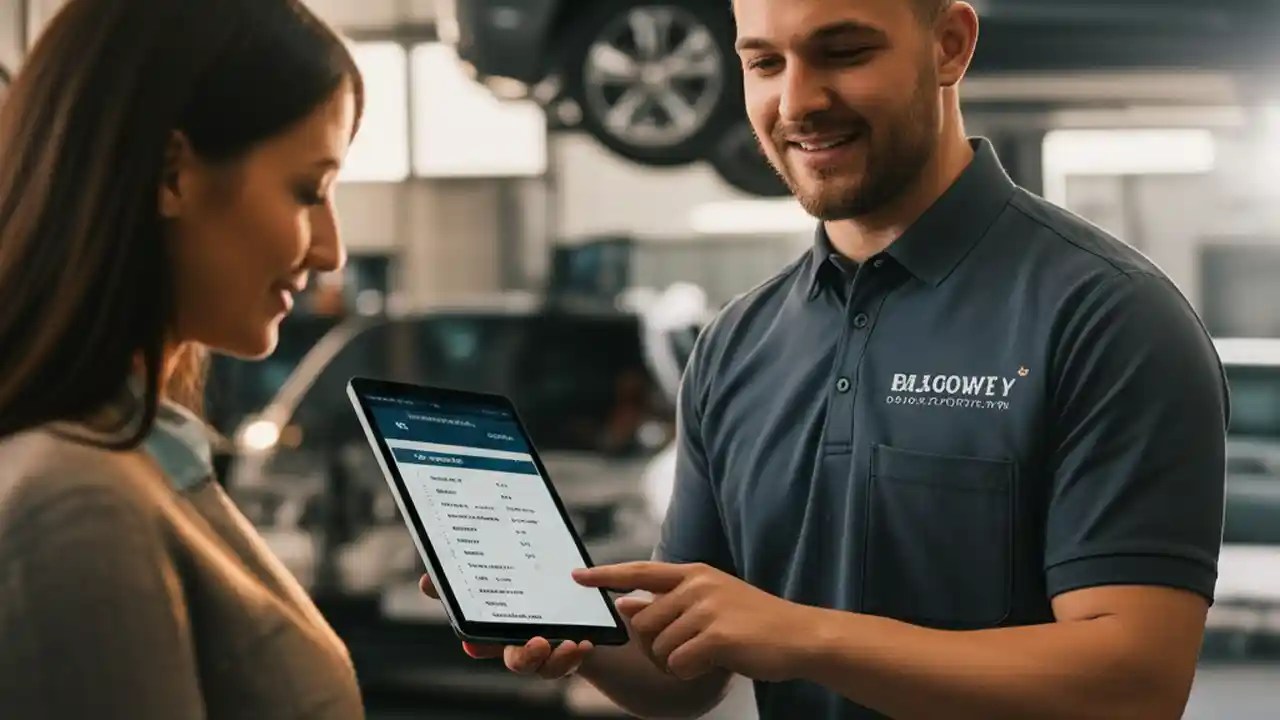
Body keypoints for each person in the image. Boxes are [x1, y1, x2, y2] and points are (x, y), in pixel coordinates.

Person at [419, 1, 1230, 718]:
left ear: (949, 44)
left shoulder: (1107, 316)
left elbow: (1133, 684)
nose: (797, 101)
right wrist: (580, 630)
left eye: (844, 53)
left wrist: (804, 636)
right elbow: (689, 674)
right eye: (764, 62)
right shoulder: (738, 345)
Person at [0, 0, 365, 717]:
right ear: (172, 174)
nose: (330, 251)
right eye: (309, 190)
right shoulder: (79, 506)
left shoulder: (131, 461)